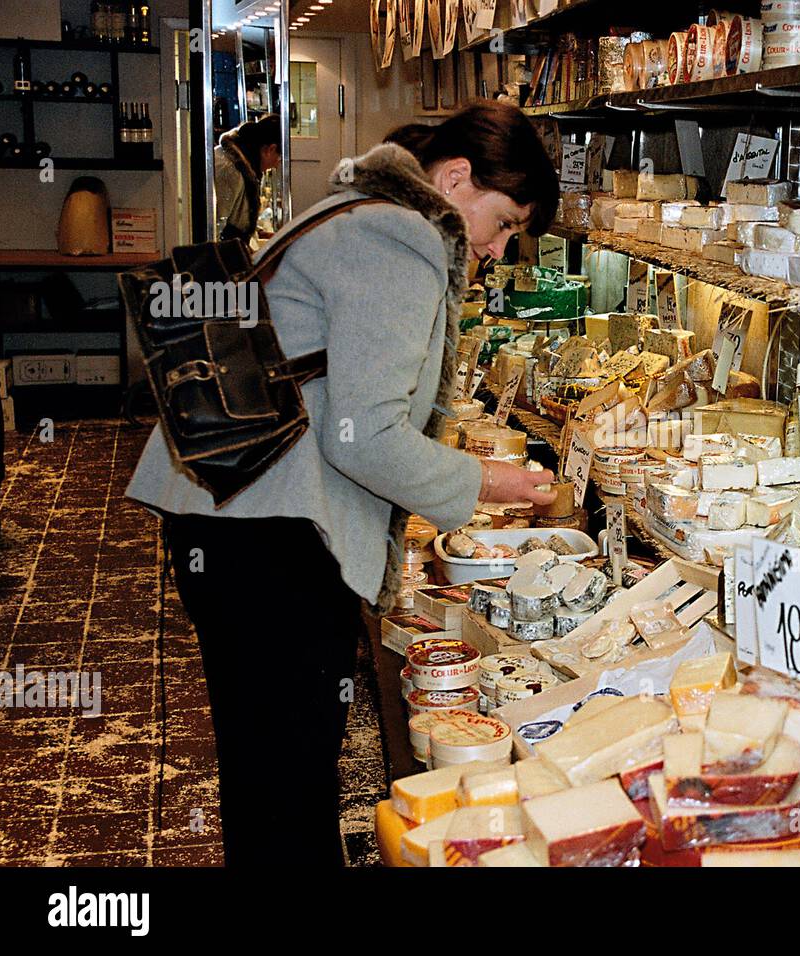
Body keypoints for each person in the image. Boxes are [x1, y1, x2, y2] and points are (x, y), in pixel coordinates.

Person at [127, 101, 559, 866]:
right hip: (268, 538)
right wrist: (489, 481)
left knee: (267, 767)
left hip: (231, 513)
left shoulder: (353, 210)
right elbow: (365, 435)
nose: (494, 249)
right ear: (456, 178)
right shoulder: (400, 237)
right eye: (501, 224)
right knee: (288, 775)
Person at [213, 113, 282, 243]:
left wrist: (259, 233)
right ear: (270, 149)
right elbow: (217, 229)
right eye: (279, 157)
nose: (277, 164)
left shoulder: (242, 167)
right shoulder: (229, 171)